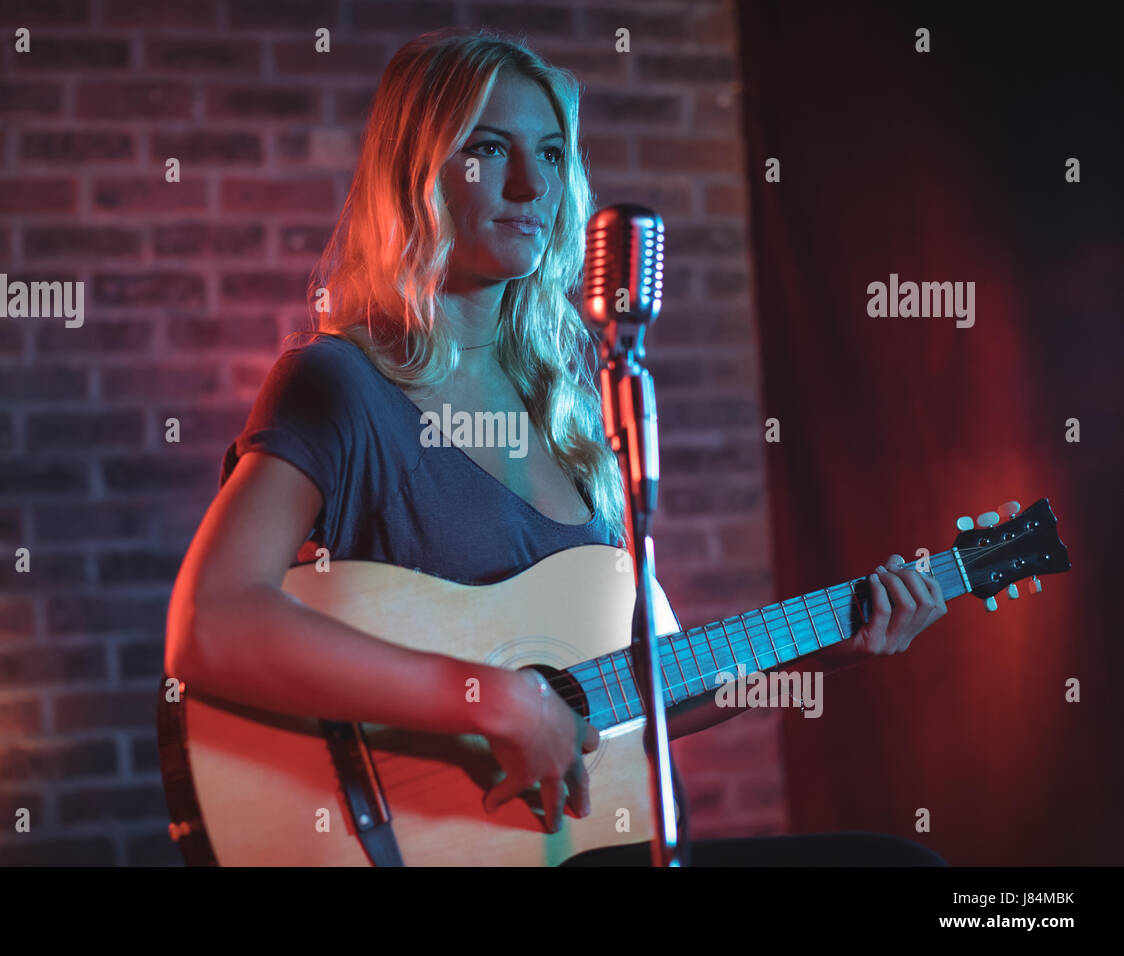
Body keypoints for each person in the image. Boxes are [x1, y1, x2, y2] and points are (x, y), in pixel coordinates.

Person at [164, 27, 948, 866]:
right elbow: (211, 621)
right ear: (416, 174)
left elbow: (650, 687)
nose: (533, 184)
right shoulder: (338, 384)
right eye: (490, 150)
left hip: (568, 844)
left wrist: (833, 640)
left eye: (550, 153)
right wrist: (497, 701)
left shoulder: (574, 416)